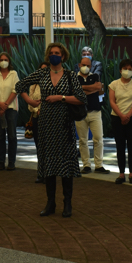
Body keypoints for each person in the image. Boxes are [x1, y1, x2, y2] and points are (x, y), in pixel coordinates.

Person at [15, 43, 86, 217]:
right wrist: (29, 101)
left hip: (64, 125)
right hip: (46, 124)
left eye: (57, 53)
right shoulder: (42, 73)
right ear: (48, 56)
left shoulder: (70, 75)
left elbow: (81, 98)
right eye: (51, 53)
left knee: (66, 165)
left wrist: (61, 97)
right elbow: (19, 85)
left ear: (63, 56)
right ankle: (50, 203)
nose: (54, 55)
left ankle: (67, 203)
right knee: (49, 166)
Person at [108, 59, 132, 184]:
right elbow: (112, 102)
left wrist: (127, 115)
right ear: (120, 70)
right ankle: (121, 173)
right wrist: (121, 115)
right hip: (117, 117)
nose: (127, 71)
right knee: (120, 145)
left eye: (130, 69)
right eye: (125, 69)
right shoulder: (113, 84)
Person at [0, 51, 20, 171]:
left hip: (10, 108)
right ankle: (1, 161)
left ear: (9, 61)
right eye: (1, 60)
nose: (3, 62)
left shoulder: (13, 74)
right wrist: (0, 105)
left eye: (6, 60)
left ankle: (11, 162)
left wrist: (5, 105)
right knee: (0, 136)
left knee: (12, 136)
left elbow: (16, 89)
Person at [75, 55, 108, 174]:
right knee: (82, 140)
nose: (85, 67)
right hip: (80, 113)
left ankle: (99, 165)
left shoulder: (95, 76)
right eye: (83, 65)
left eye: (88, 65)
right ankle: (86, 165)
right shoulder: (74, 77)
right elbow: (74, 90)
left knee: (98, 139)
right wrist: (91, 89)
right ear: (79, 65)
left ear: (91, 66)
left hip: (95, 112)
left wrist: (82, 88)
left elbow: (99, 87)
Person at [21, 63, 48, 183]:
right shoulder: (34, 85)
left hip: (49, 119)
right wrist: (37, 110)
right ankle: (41, 173)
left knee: (48, 147)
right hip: (37, 118)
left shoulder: (54, 84)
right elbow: (30, 103)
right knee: (39, 146)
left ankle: (49, 173)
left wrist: (45, 110)